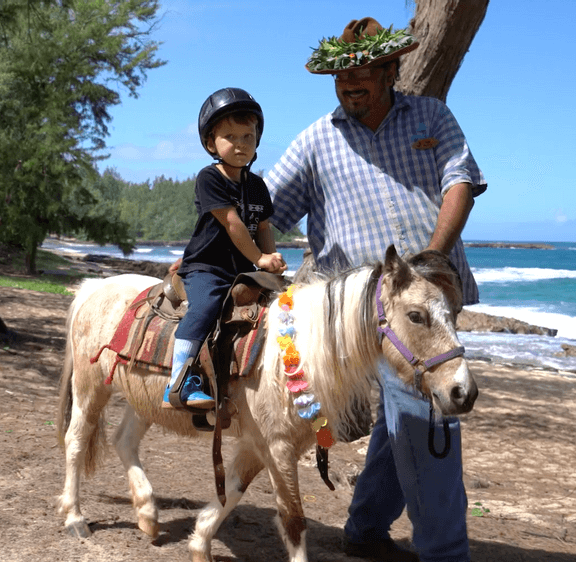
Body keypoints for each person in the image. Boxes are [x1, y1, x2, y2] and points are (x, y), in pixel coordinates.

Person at [265, 17, 486, 562]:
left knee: (405, 416)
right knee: (424, 412)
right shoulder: (317, 140)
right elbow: (265, 208)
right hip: (365, 316)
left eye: (360, 73)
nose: (348, 85)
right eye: (340, 77)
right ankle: (444, 552)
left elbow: (460, 181)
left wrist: (432, 260)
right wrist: (221, 229)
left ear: (390, 70)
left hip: (429, 305)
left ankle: (365, 529)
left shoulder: (432, 116)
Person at [163, 87, 287, 410]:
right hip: (208, 267)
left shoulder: (257, 186)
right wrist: (260, 257)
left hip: (241, 270)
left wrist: (269, 265)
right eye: (230, 136)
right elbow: (233, 223)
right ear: (210, 143)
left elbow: (263, 228)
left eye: (248, 136)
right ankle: (178, 382)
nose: (241, 144)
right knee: (206, 307)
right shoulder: (210, 179)